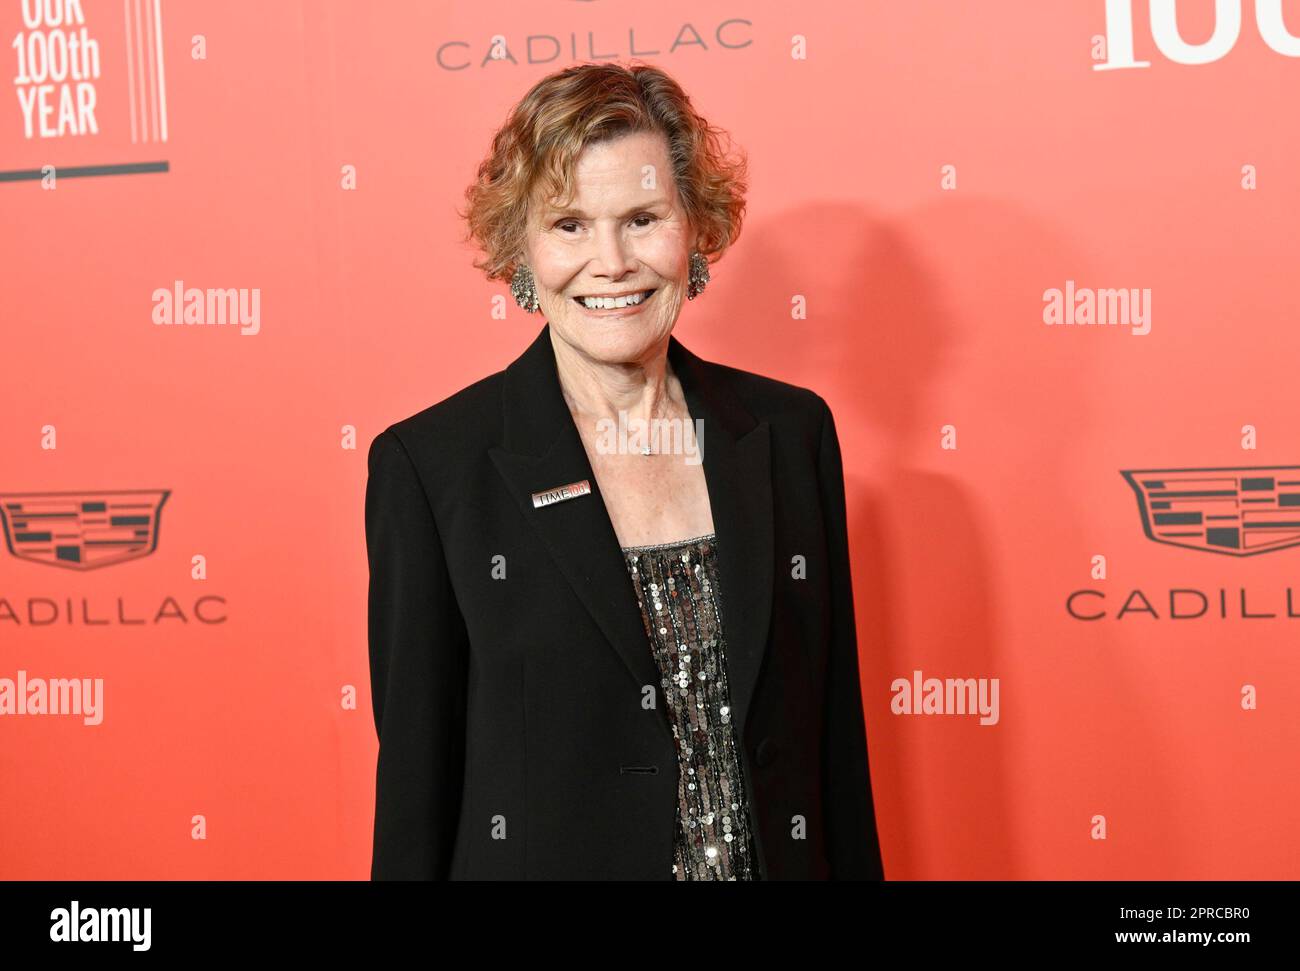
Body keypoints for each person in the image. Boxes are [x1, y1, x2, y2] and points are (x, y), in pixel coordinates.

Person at [366, 60, 884, 880]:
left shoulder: (791, 436)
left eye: (642, 218)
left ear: (695, 229)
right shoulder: (434, 471)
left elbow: (834, 757)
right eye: (569, 225)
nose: (611, 263)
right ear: (522, 248)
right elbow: (415, 803)